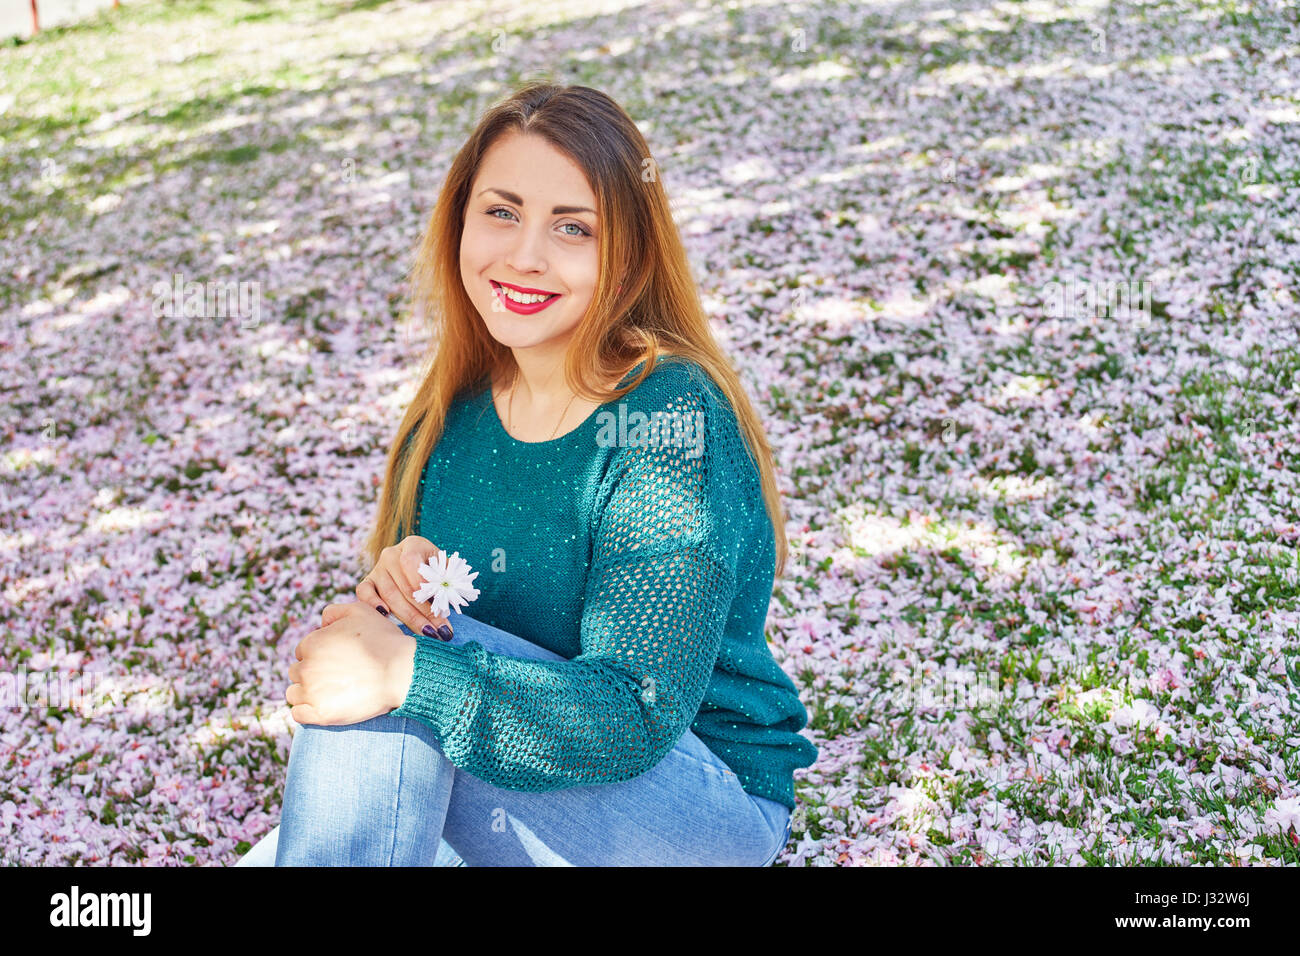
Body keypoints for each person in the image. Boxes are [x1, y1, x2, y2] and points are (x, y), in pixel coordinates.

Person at [233, 79, 817, 867]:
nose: (524, 255)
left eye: (572, 228)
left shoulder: (667, 421)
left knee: (394, 671)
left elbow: (631, 717)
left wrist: (407, 671)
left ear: (624, 261)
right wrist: (399, 582)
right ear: (459, 225)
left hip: (691, 801)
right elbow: (455, 631)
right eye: (501, 212)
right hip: (524, 782)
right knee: (387, 652)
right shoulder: (453, 413)